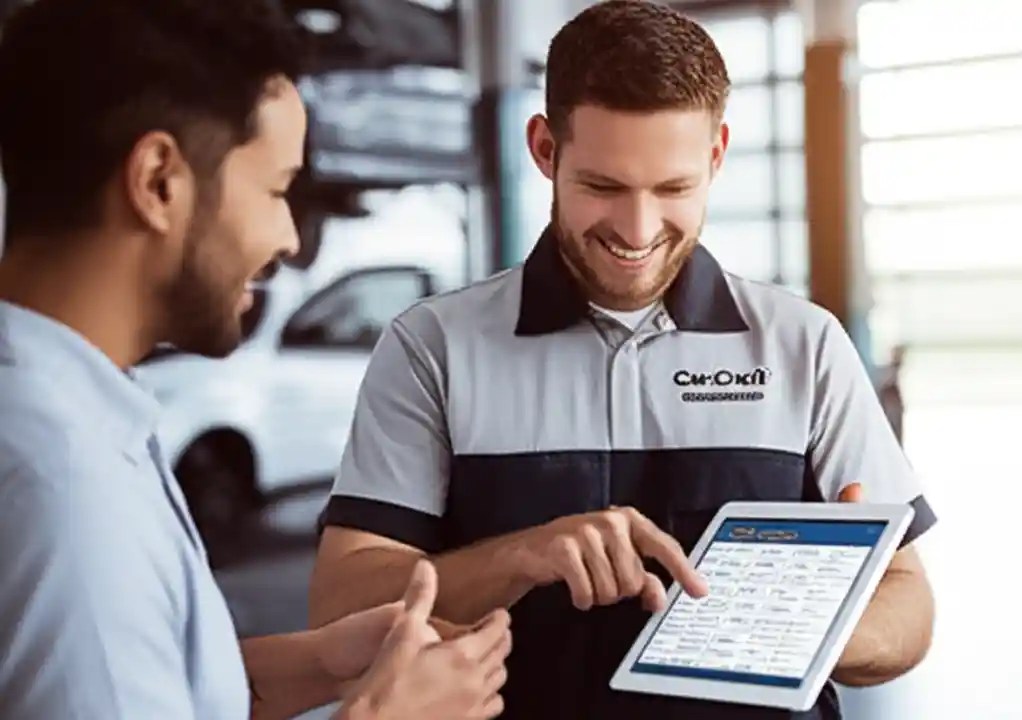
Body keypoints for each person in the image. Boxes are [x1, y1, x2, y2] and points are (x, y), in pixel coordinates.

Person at [309, 1, 937, 718]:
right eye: (603, 187)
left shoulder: (806, 345)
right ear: (545, 149)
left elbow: (909, 603)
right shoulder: (431, 350)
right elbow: (340, 603)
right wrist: (519, 558)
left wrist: (800, 624)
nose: (638, 232)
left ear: (716, 155)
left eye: (673, 189)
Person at [0, 1, 510, 718]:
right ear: (158, 182)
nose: (289, 240)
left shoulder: (62, 412)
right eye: (276, 190)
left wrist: (323, 663)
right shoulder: (61, 483)